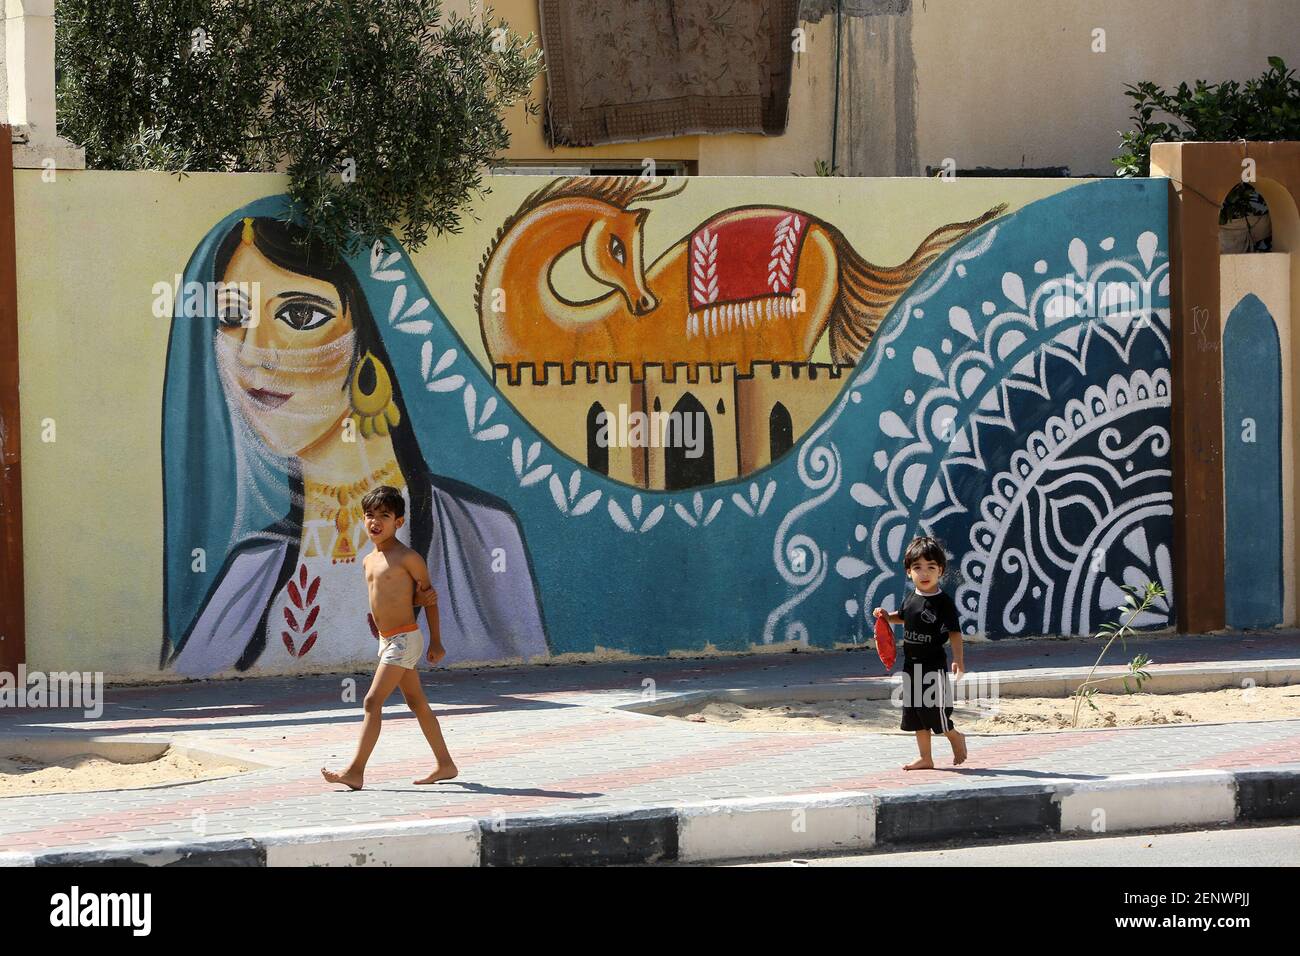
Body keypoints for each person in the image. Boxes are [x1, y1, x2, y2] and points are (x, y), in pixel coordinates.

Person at [162, 214, 549, 676]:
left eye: (300, 315)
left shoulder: (481, 533)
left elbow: (532, 678)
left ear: (362, 337)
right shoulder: (252, 570)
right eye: (232, 316)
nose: (250, 353)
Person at [322, 486, 457, 789]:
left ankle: (355, 771)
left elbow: (430, 599)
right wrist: (416, 602)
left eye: (384, 515)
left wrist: (436, 642)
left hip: (405, 640)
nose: (375, 521)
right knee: (416, 702)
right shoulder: (369, 560)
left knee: (372, 701)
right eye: (370, 515)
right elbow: (404, 598)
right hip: (387, 640)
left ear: (399, 521)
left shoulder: (408, 557)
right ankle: (445, 764)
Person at [874, 535, 968, 770]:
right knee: (916, 713)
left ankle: (954, 735)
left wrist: (958, 659)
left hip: (932, 666)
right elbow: (902, 617)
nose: (924, 573)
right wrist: (887, 617)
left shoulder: (943, 603)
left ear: (941, 571)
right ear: (908, 572)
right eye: (917, 567)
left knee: (934, 711)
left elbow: (955, 633)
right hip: (911, 666)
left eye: (930, 567)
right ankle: (926, 757)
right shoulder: (911, 598)